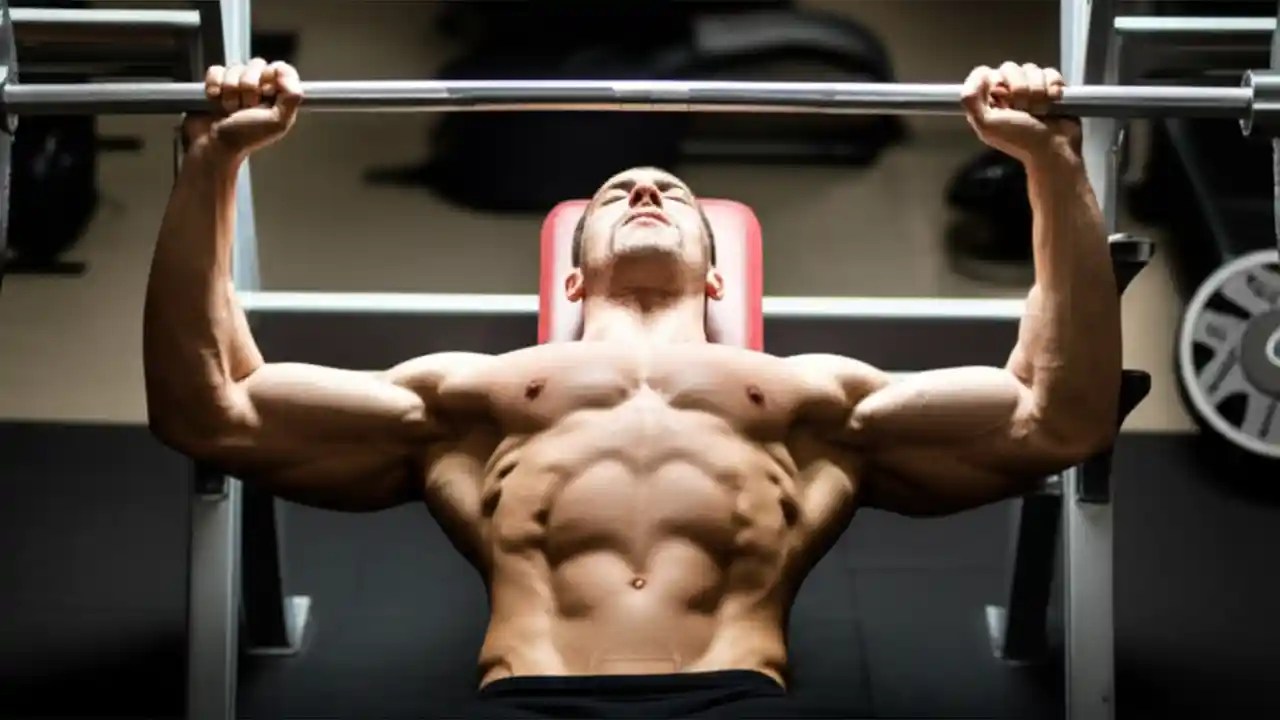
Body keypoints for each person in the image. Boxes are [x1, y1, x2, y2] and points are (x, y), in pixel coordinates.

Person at [144, 58, 1119, 719]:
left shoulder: (813, 399)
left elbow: (1051, 417)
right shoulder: (471, 397)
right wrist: (210, 163)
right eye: (616, 195)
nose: (645, 192)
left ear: (715, 272)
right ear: (570, 276)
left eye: (671, 195)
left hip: (730, 694)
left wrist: (1048, 160)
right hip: (530, 693)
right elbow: (211, 406)